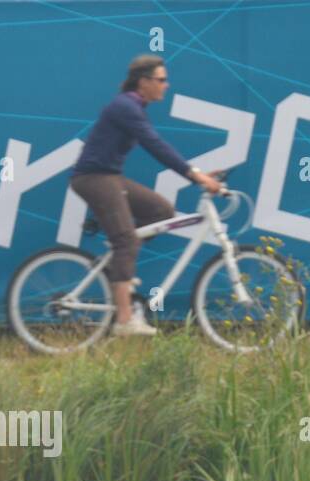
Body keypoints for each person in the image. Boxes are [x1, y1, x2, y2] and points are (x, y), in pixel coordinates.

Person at [70, 55, 223, 337]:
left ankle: (121, 266)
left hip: (110, 177)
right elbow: (156, 146)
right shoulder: (126, 107)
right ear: (144, 82)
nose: (167, 85)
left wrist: (197, 173)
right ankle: (125, 320)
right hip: (94, 179)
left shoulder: (134, 106)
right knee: (126, 240)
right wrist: (196, 175)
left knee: (161, 211)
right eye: (161, 80)